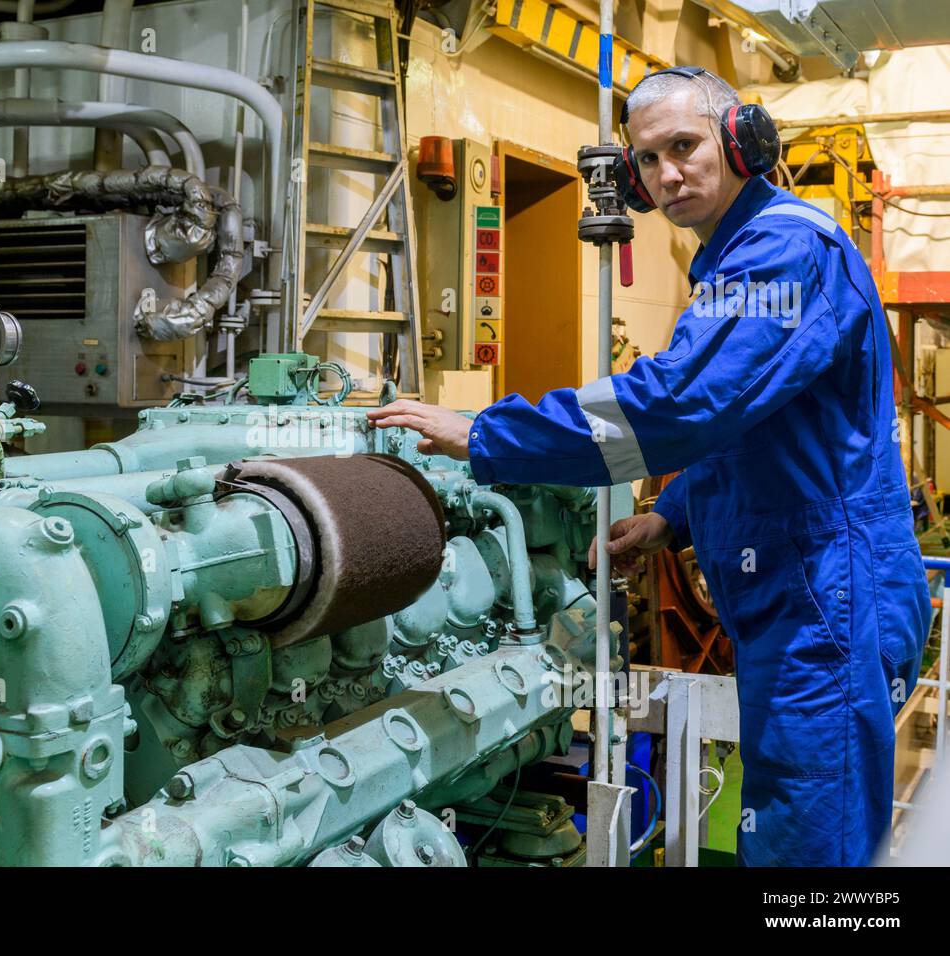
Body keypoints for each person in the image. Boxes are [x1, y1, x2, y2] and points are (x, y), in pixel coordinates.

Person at [367, 67, 932, 866]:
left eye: (685, 146)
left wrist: (488, 435)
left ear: (744, 142)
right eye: (649, 159)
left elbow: (675, 411)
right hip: (796, 594)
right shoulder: (732, 260)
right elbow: (749, 429)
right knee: (793, 818)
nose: (668, 174)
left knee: (815, 848)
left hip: (827, 604)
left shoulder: (782, 254)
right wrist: (675, 514)